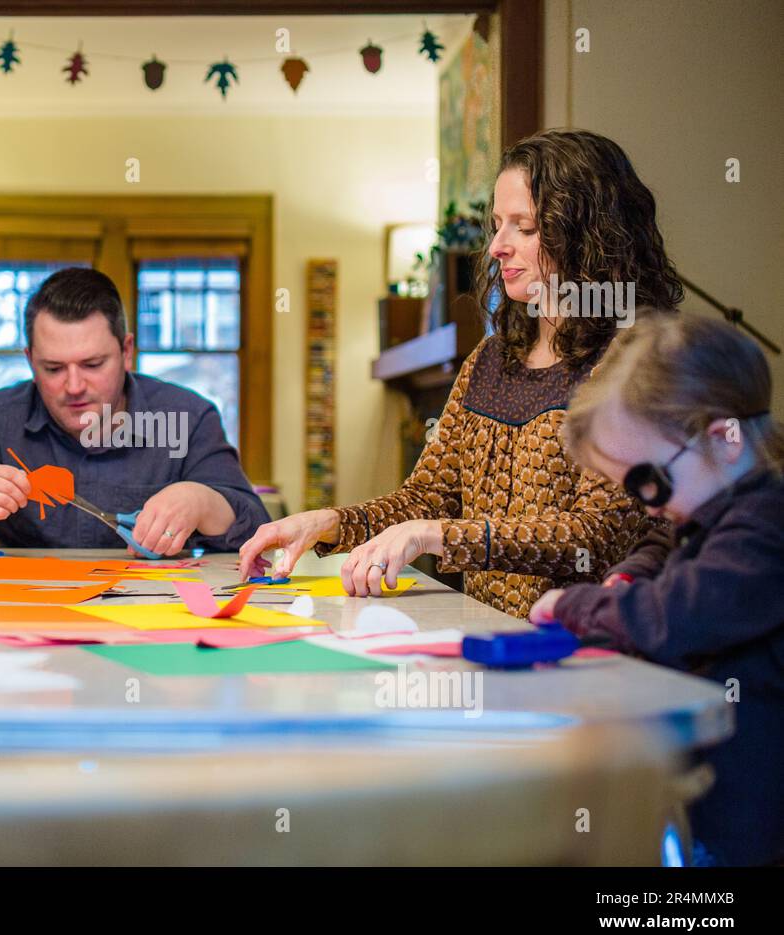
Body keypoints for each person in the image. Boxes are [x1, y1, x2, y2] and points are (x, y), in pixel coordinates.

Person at [239, 129, 684, 618]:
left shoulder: (631, 364)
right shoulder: (490, 359)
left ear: (589, 237)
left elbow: (597, 535)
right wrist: (329, 523)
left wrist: (436, 535)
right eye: (497, 224)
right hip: (490, 643)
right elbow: (429, 497)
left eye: (525, 227)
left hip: (588, 648)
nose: (497, 246)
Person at [529, 311, 784, 866]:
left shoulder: (766, 528)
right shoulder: (713, 516)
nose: (647, 503)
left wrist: (578, 604)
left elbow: (680, 614)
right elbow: (661, 552)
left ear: (726, 439)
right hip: (709, 803)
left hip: (749, 826)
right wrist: (627, 578)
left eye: (648, 481)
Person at [0, 267, 270, 555]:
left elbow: (256, 527)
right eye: (53, 368)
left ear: (126, 351)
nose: (74, 385)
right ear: (30, 361)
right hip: (29, 612)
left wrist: (201, 502)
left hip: (151, 614)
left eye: (92, 364)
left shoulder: (187, 417)